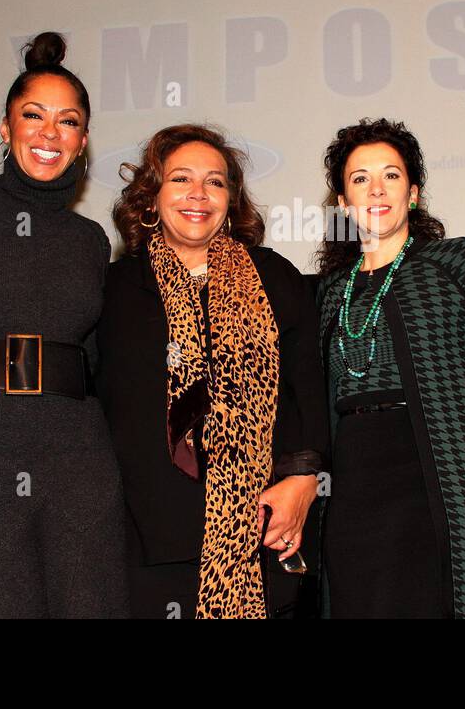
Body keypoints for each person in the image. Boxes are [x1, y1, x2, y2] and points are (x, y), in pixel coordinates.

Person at [0, 32, 126, 617]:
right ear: (5, 129)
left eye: (68, 121)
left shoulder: (90, 241)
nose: (48, 132)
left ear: (83, 141)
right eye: (32, 116)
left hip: (78, 454)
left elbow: (95, 358)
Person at [97, 124, 329, 618]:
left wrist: (304, 480)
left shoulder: (275, 277)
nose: (198, 194)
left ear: (232, 200)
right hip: (148, 540)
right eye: (180, 179)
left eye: (216, 182)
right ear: (151, 197)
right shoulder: (113, 290)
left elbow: (308, 391)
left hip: (261, 532)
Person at [317, 118, 465, 618]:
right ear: (342, 203)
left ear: (414, 193)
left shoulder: (452, 263)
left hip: (436, 468)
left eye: (392, 175)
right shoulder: (329, 290)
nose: (376, 189)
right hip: (352, 475)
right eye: (360, 179)